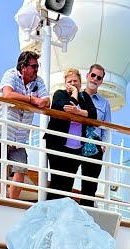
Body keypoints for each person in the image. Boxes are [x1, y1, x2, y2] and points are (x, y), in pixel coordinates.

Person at [0, 51, 49, 199]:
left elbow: (47, 100)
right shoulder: (11, 74)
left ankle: (10, 201)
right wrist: (32, 100)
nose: (36, 70)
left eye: (37, 66)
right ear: (23, 67)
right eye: (33, 66)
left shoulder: (38, 81)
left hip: (19, 138)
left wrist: (41, 101)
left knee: (20, 170)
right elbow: (8, 94)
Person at [44, 68, 97, 201]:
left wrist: (79, 112)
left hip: (76, 148)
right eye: (70, 81)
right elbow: (67, 107)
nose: (73, 83)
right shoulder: (59, 94)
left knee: (68, 185)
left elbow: (93, 115)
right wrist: (74, 94)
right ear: (65, 83)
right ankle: (50, 213)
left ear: (80, 82)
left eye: (75, 81)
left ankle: (61, 215)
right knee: (57, 182)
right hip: (57, 144)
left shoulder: (85, 98)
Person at [81, 63, 113, 205]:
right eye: (93, 75)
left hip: (95, 144)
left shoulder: (104, 104)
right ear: (87, 76)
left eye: (98, 78)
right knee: (67, 177)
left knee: (90, 184)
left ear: (101, 82)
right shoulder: (77, 96)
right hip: (76, 140)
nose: (94, 79)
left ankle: (85, 213)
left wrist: (103, 145)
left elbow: (107, 126)